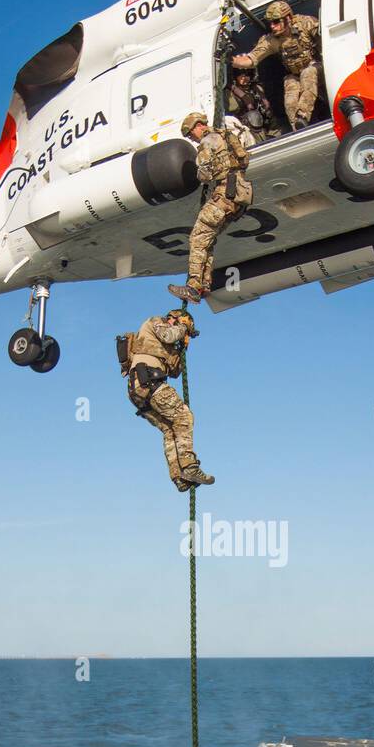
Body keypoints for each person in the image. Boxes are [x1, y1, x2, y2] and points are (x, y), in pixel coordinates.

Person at [120, 309, 214, 489]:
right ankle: (189, 466)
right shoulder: (155, 321)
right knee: (184, 417)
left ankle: (179, 476)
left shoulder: (162, 343)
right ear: (176, 320)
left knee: (171, 429)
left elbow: (175, 372)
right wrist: (182, 328)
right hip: (149, 381)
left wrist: (181, 349)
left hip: (139, 390)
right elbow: (168, 334)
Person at [168, 112, 252, 305]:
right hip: (240, 196)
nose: (192, 138)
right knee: (208, 238)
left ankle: (193, 286)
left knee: (198, 237)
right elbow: (244, 160)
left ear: (198, 126)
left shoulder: (208, 141)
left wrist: (199, 172)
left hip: (224, 194)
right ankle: (204, 285)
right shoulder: (227, 136)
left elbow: (204, 174)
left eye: (190, 134)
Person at [232, 0, 322, 131]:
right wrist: (231, 60)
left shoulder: (306, 23)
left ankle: (303, 115)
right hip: (296, 75)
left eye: (276, 22)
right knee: (290, 95)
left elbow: (325, 36)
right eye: (270, 23)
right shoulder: (271, 40)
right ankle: (299, 128)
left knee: (308, 73)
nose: (272, 26)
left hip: (318, 69)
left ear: (288, 18)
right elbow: (250, 60)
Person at [226, 64, 281, 145]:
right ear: (235, 77)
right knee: (253, 116)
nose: (244, 78)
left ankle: (274, 137)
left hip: (263, 121)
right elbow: (233, 113)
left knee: (269, 114)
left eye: (247, 75)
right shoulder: (231, 93)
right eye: (240, 75)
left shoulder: (257, 88)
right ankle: (259, 143)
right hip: (245, 126)